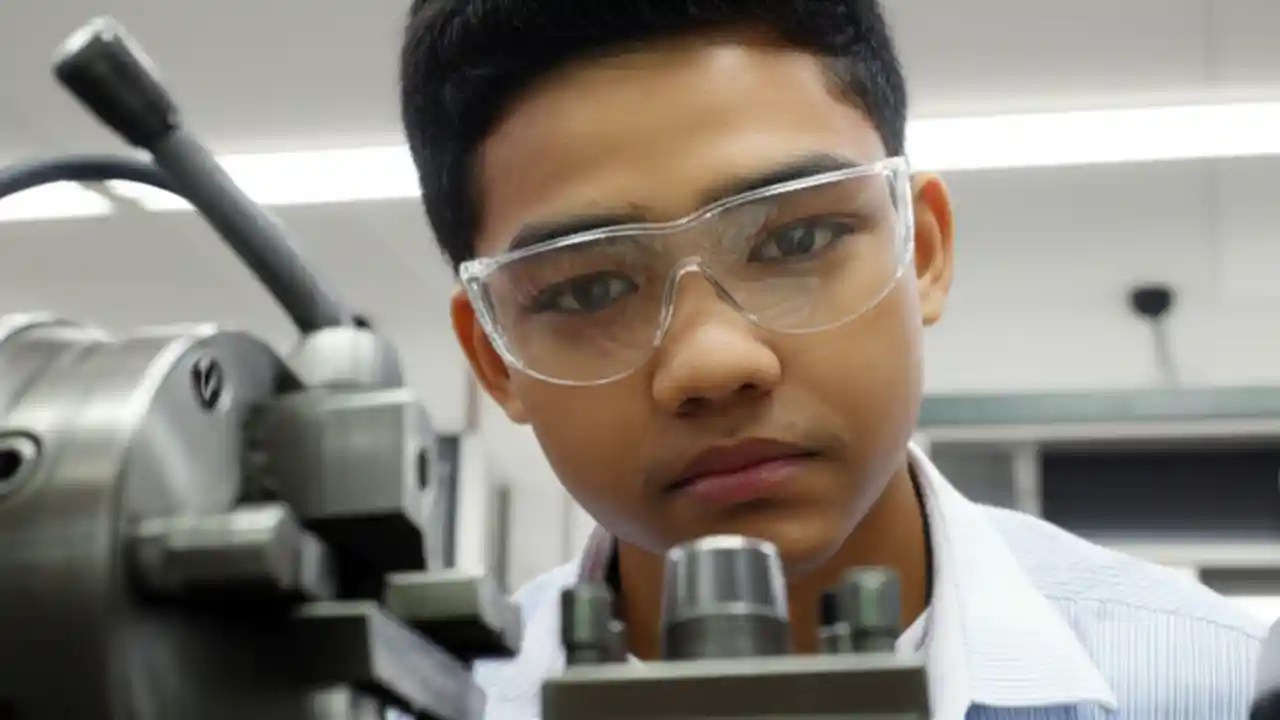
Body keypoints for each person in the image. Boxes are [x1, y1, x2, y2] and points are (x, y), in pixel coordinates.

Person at [397, 2, 1267, 717]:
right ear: (495, 357)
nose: (711, 361)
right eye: (588, 290)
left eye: (797, 237)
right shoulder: (432, 705)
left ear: (921, 250)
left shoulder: (1214, 689)